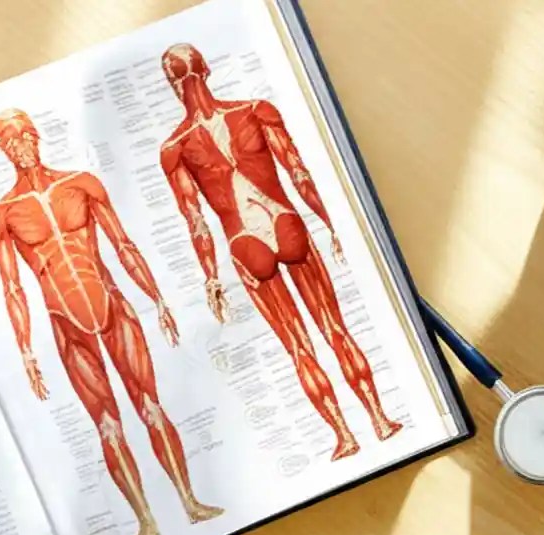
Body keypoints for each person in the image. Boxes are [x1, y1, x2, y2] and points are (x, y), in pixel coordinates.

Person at [0, 108, 222, 535]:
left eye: (25, 135)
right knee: (109, 427)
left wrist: (157, 300)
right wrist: (26, 350)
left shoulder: (80, 183)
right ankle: (147, 522)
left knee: (151, 406)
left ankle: (190, 503)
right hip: (65, 323)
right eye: (10, 140)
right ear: (1, 149)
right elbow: (12, 287)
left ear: (38, 136)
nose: (20, 145)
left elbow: (123, 243)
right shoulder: (3, 214)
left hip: (112, 305)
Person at [158, 44, 402, 461]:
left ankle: (345, 437)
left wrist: (211, 275)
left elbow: (195, 219)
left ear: (171, 86)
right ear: (208, 68)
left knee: (298, 348)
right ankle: (380, 420)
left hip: (242, 240)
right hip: (284, 218)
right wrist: (328, 223)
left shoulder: (174, 147)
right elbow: (298, 171)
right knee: (336, 330)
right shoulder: (255, 110)